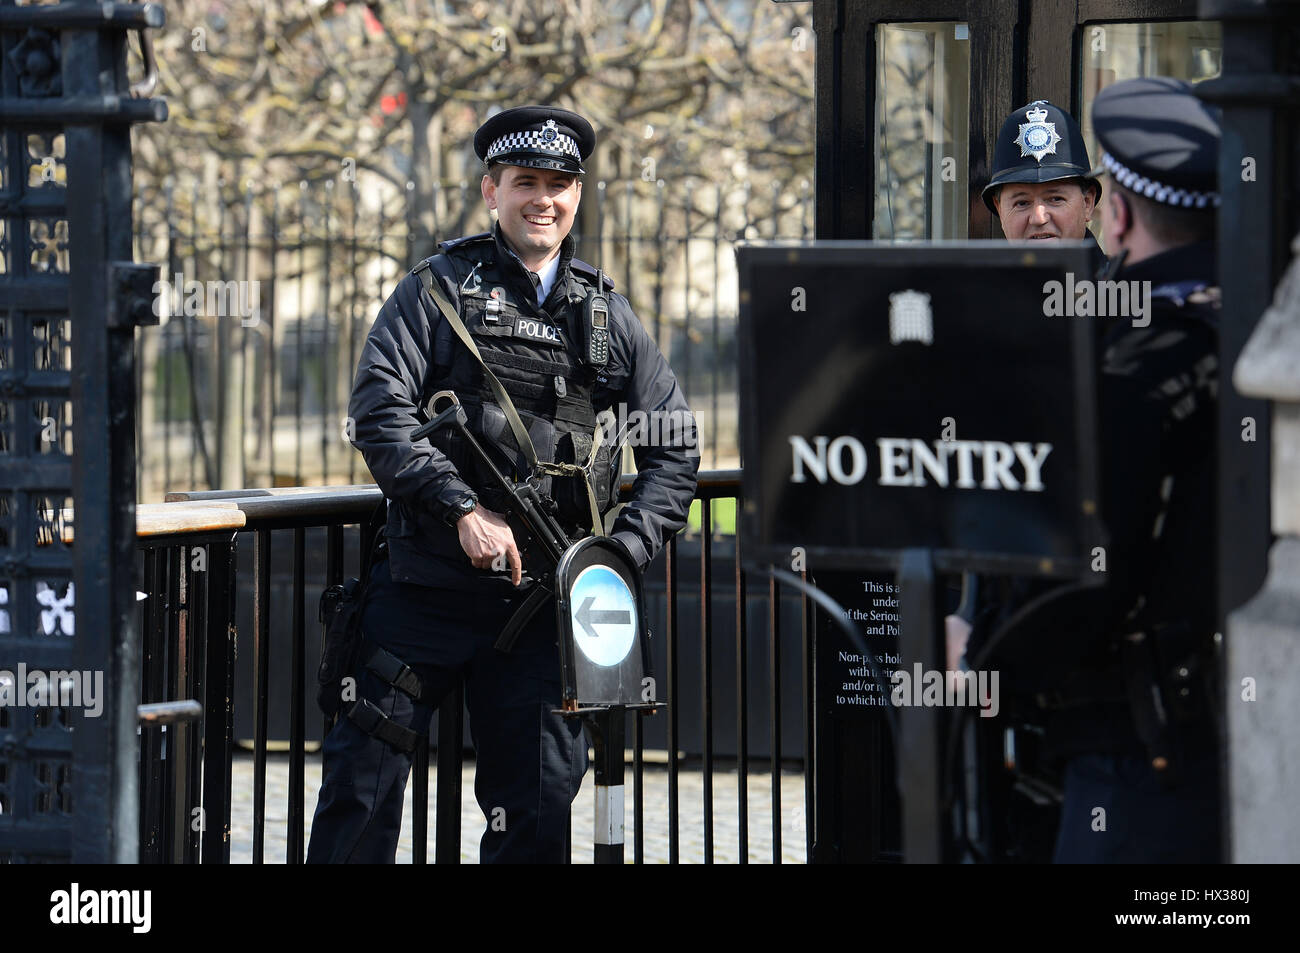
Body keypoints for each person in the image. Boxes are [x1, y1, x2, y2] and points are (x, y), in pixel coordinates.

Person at [307, 105, 700, 864]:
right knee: (361, 789)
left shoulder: (605, 313)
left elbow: (674, 445)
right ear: (492, 191)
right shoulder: (437, 289)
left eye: (559, 183)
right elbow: (378, 412)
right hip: (426, 589)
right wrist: (458, 507)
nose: (543, 199)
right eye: (526, 182)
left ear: (577, 196)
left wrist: (617, 556)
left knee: (537, 812)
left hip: (545, 607)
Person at [969, 78, 1223, 863]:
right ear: (995, 211)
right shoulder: (966, 315)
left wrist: (989, 662)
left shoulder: (1134, 326)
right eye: (1019, 200)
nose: (1039, 216)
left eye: (1055, 196)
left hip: (1109, 690)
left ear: (1099, 204)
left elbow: (1102, 551)